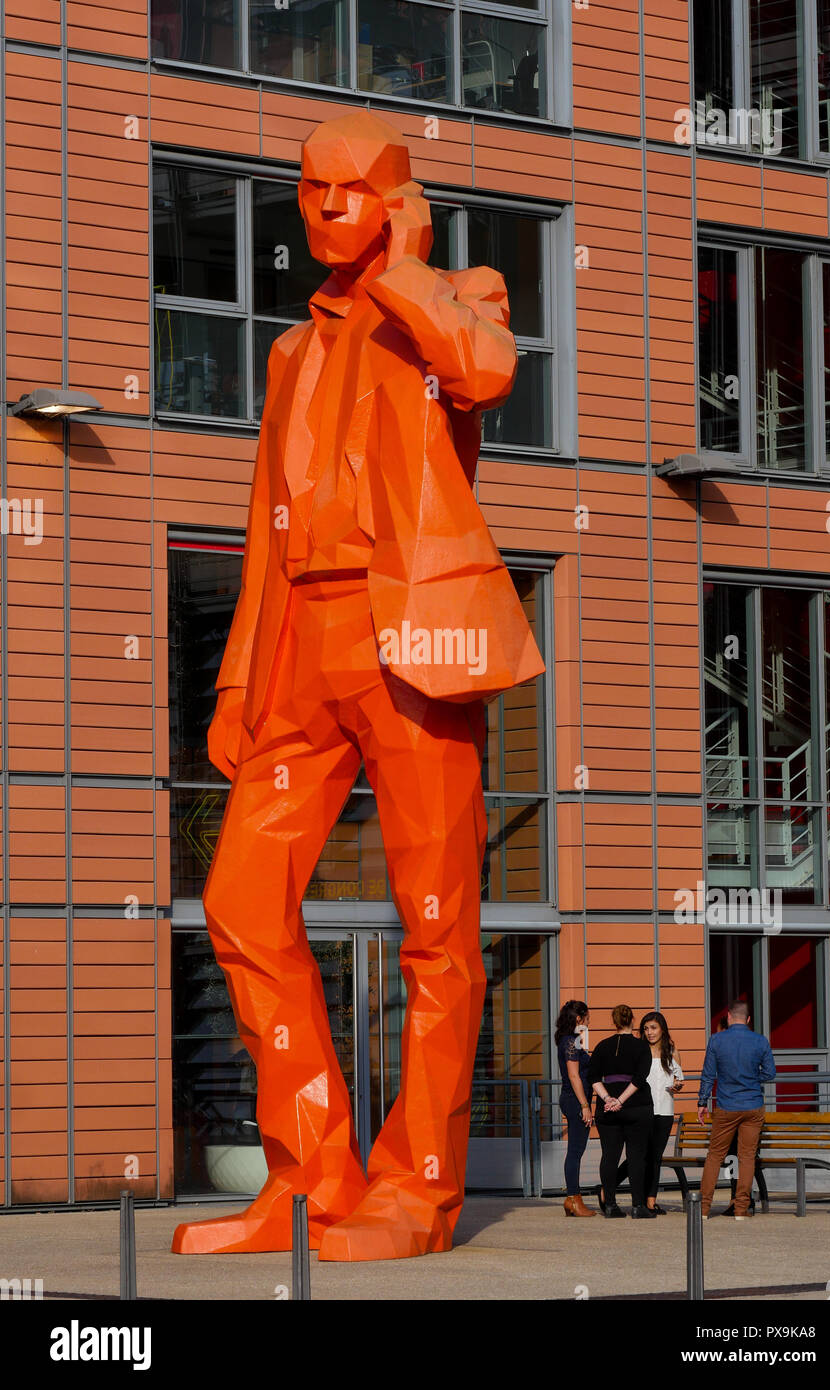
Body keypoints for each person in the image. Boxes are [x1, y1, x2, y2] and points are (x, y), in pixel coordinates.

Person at [171, 109, 544, 1263]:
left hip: (415, 648)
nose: (326, 205)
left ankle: (419, 1188)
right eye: (310, 188)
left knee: (438, 936)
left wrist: (409, 269)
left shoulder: (458, 297)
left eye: (351, 188)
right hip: (303, 649)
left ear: (395, 200)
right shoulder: (289, 356)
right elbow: (263, 532)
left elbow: (484, 372)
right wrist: (237, 687)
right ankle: (308, 1173)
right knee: (239, 902)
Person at [697, 999, 776, 1220]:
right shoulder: (760, 1041)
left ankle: (703, 1208)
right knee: (747, 1157)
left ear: (729, 1017)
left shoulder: (717, 1040)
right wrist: (752, 1078)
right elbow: (770, 1073)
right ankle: (741, 1210)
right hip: (752, 1104)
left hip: (726, 1105)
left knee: (714, 1155)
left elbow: (708, 1074)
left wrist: (702, 1103)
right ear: (748, 1019)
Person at [608, 1011, 683, 1214]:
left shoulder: (672, 1050)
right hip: (643, 1109)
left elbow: (678, 1078)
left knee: (655, 1157)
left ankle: (651, 1201)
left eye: (653, 1028)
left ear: (662, 1029)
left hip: (665, 1110)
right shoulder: (639, 1050)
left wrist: (678, 1086)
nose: (649, 1033)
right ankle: (609, 1186)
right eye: (646, 1029)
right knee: (639, 1156)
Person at [588, 1004, 656, 1218]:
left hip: (606, 1108)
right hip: (637, 1106)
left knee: (609, 1155)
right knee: (636, 1156)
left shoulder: (601, 1046)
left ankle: (610, 1205)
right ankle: (638, 1206)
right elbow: (639, 1078)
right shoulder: (641, 1047)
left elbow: (593, 1078)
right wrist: (621, 1100)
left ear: (614, 1021)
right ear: (632, 1020)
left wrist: (609, 1098)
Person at [555, 1000, 596, 1217]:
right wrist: (585, 1105)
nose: (589, 1021)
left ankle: (572, 1199)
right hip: (575, 1099)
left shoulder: (571, 1040)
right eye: (587, 1017)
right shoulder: (571, 1041)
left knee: (575, 1151)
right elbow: (573, 1075)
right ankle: (573, 1198)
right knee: (575, 1152)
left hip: (572, 1098)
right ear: (579, 1019)